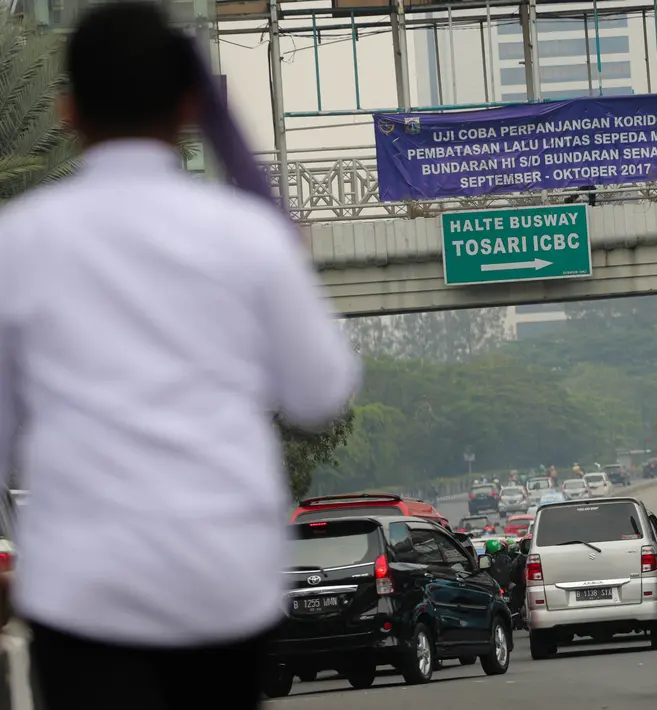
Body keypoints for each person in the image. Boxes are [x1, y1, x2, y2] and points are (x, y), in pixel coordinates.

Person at [0, 4, 359, 708]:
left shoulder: (20, 243)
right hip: (223, 589)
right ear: (190, 106)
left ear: (67, 109)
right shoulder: (247, 237)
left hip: (84, 594)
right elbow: (320, 394)